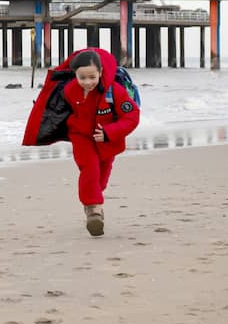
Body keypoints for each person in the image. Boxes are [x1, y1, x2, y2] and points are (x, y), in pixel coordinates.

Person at [22, 47, 140, 236]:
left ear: (100, 72)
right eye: (82, 78)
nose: (88, 82)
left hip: (108, 141)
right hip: (81, 136)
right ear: (74, 75)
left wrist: (109, 132)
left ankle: (93, 202)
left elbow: (132, 116)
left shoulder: (114, 91)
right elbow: (55, 108)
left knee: (100, 180)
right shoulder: (69, 90)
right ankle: (93, 210)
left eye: (92, 77)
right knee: (89, 168)